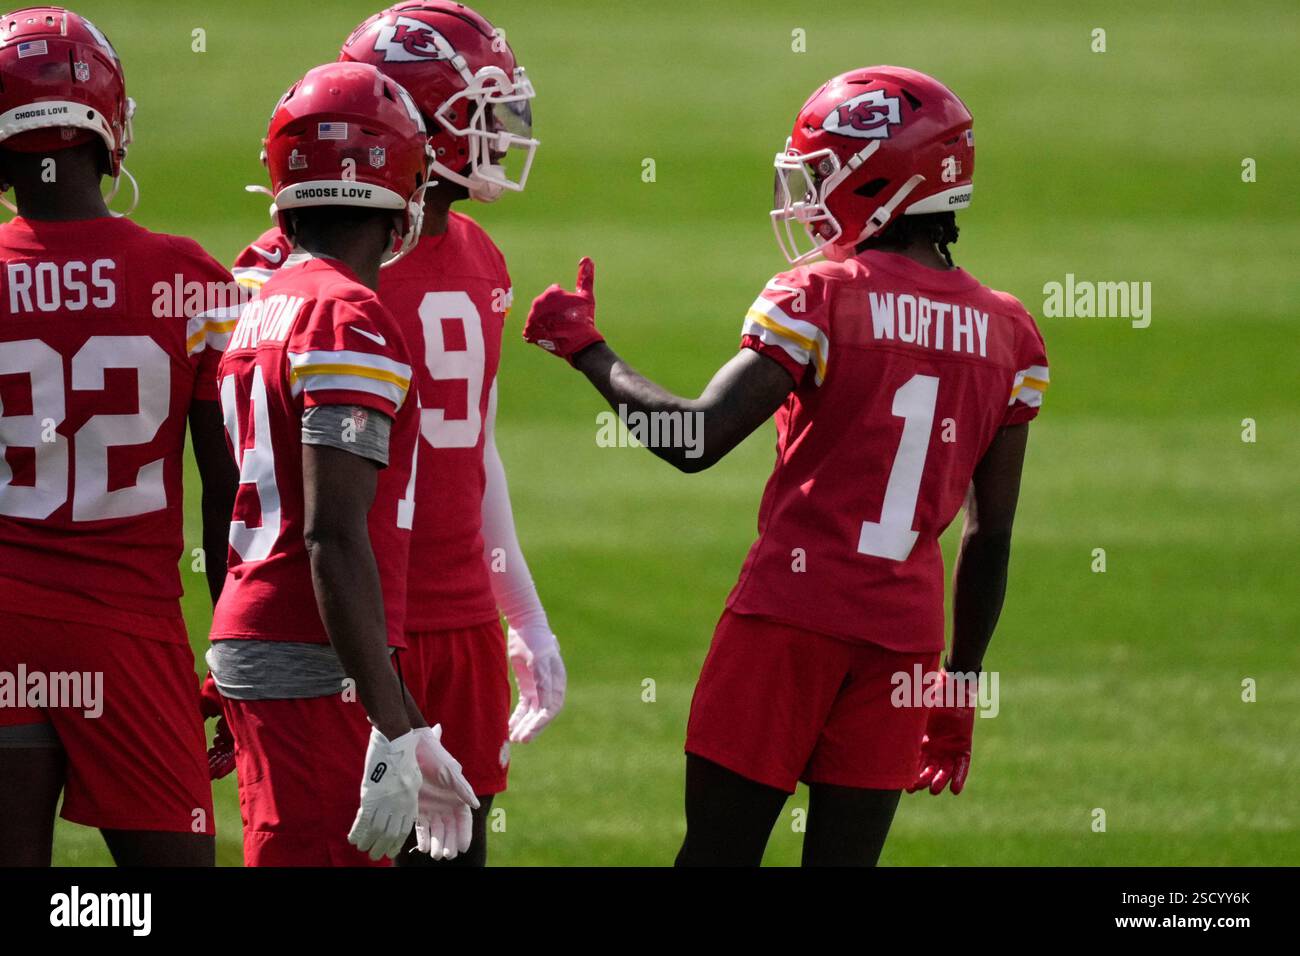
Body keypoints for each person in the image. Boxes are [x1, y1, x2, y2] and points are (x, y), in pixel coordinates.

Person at [523, 66, 1049, 866]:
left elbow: (693, 441)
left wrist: (587, 350)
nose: (811, 196)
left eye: (826, 170)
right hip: (904, 645)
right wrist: (960, 683)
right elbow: (992, 535)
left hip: (787, 623)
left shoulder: (821, 294)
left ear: (883, 175)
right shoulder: (1011, 333)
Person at [229, 1, 564, 867]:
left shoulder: (480, 253)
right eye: (476, 107)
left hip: (456, 615)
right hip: (356, 620)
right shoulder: (303, 272)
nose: (495, 128)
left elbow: (473, 445)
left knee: (458, 849)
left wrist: (518, 610)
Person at [207, 60, 477, 866]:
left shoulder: (269, 300)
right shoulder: (346, 315)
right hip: (311, 650)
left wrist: (406, 714)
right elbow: (331, 534)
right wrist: (394, 725)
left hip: (273, 636)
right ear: (400, 184)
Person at [0, 6, 239, 866]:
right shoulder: (187, 281)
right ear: (109, 126)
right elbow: (228, 493)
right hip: (129, 635)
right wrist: (233, 651)